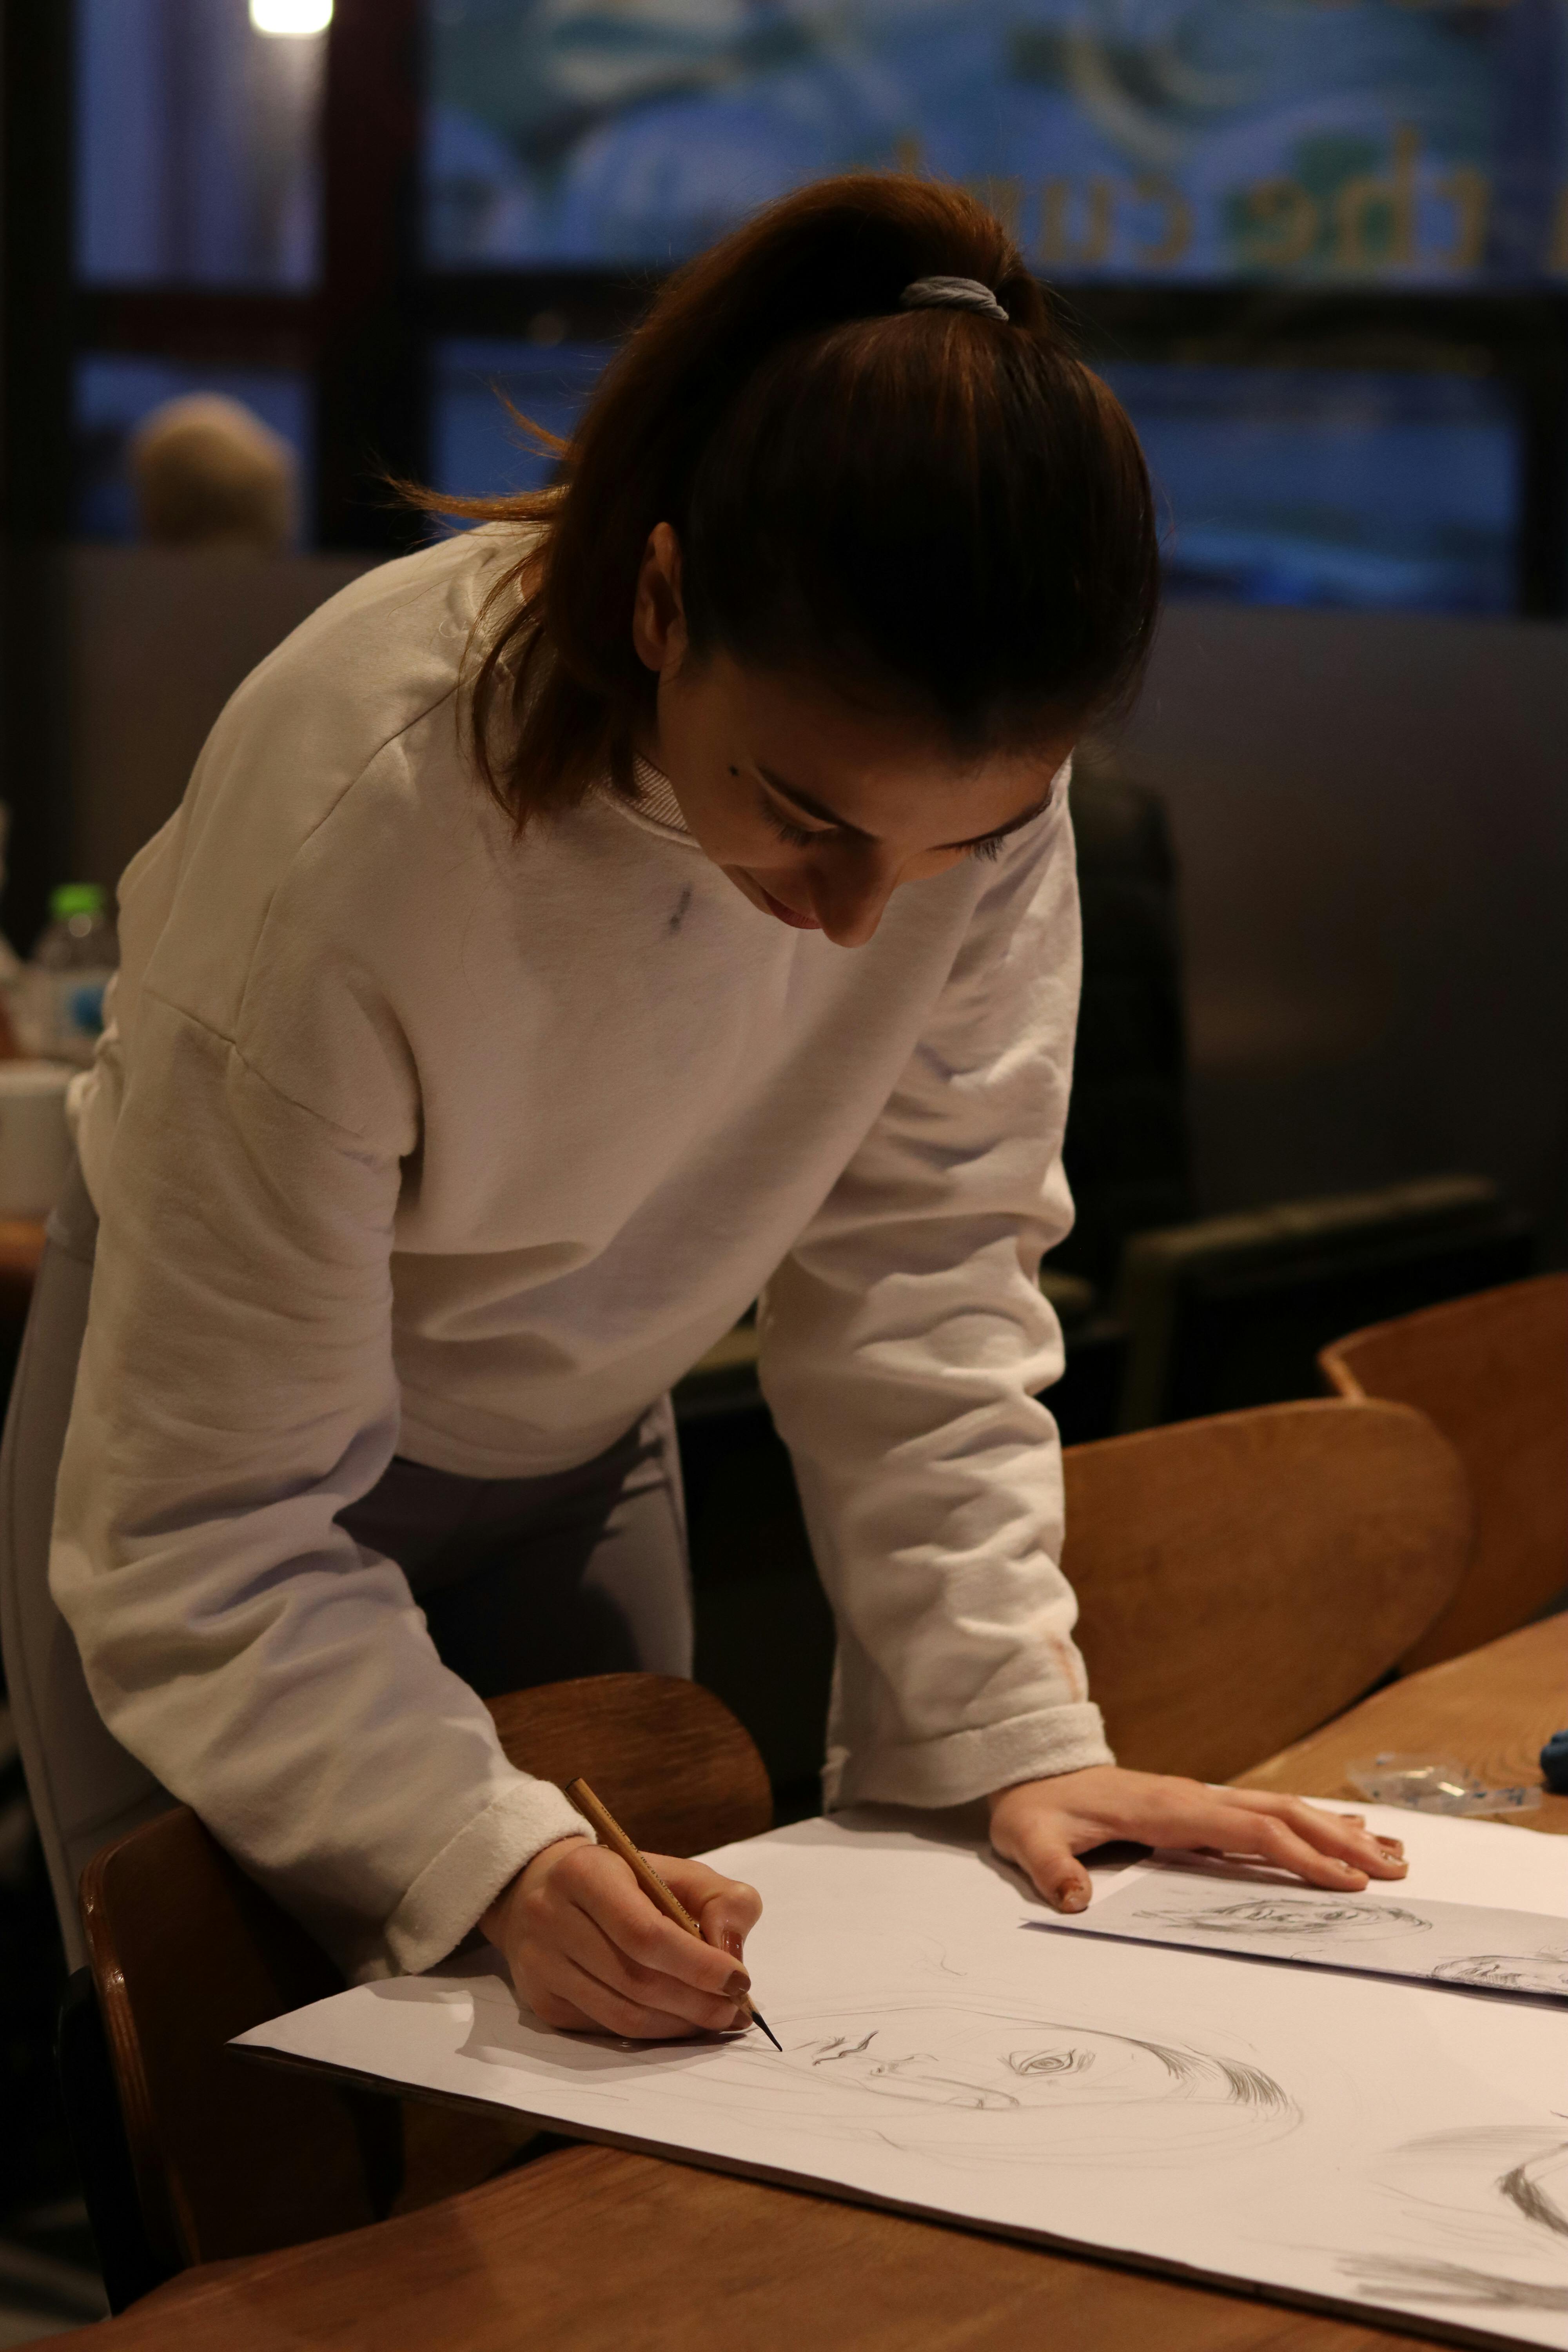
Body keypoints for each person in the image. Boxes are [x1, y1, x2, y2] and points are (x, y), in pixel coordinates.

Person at [0, 175, 1406, 2045]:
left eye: (953, 848)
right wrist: (475, 1849)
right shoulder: (367, 804)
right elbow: (207, 1517)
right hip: (208, 1487)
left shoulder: (969, 796)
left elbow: (924, 1266)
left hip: (583, 1434)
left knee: (638, 2074)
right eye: (810, 821)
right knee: (251, 2157)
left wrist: (1006, 1729)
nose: (858, 920)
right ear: (660, 601)